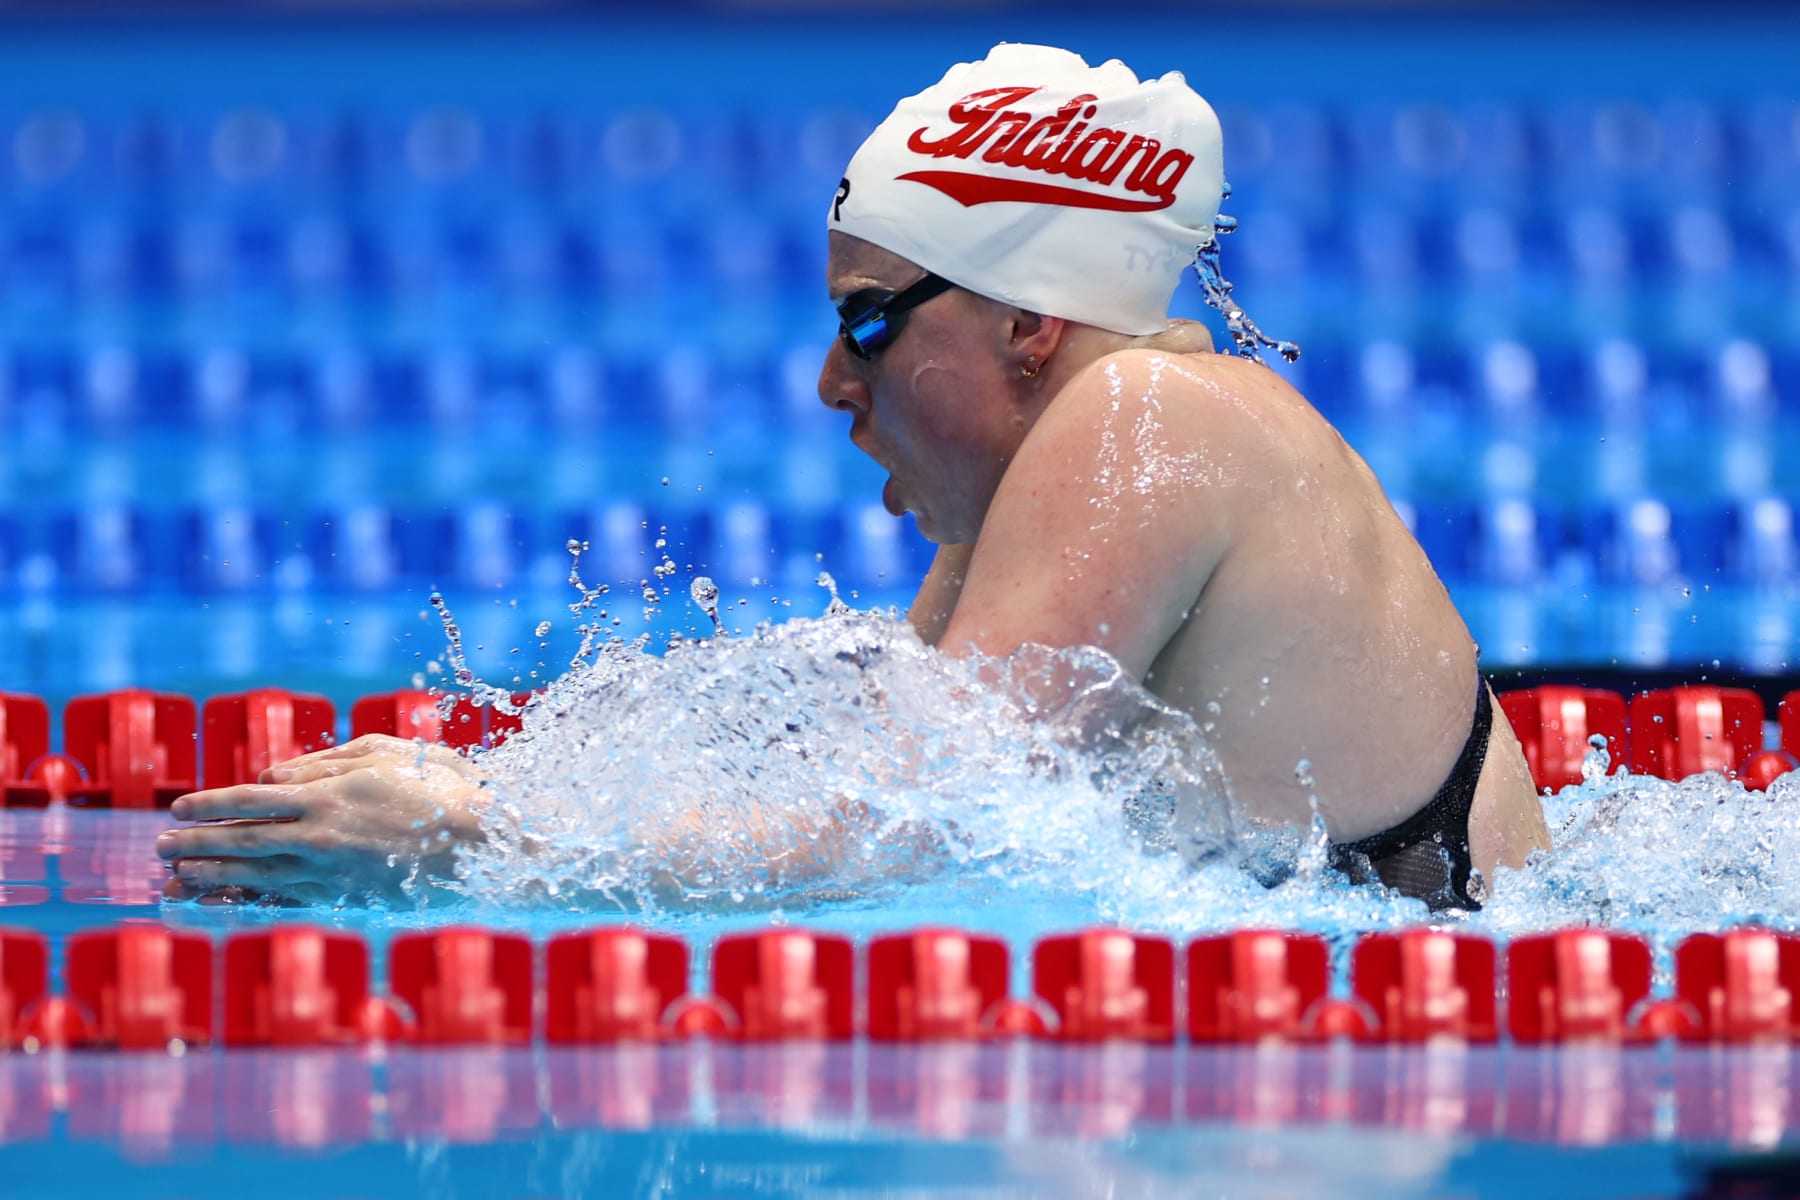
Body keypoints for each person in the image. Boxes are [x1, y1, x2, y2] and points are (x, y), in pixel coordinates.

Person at [157, 43, 1549, 911]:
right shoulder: (1097, 460)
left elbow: (911, 831)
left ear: (1028, 323)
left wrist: (482, 836)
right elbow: (881, 778)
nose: (834, 382)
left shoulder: (1141, 415)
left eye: (869, 320)